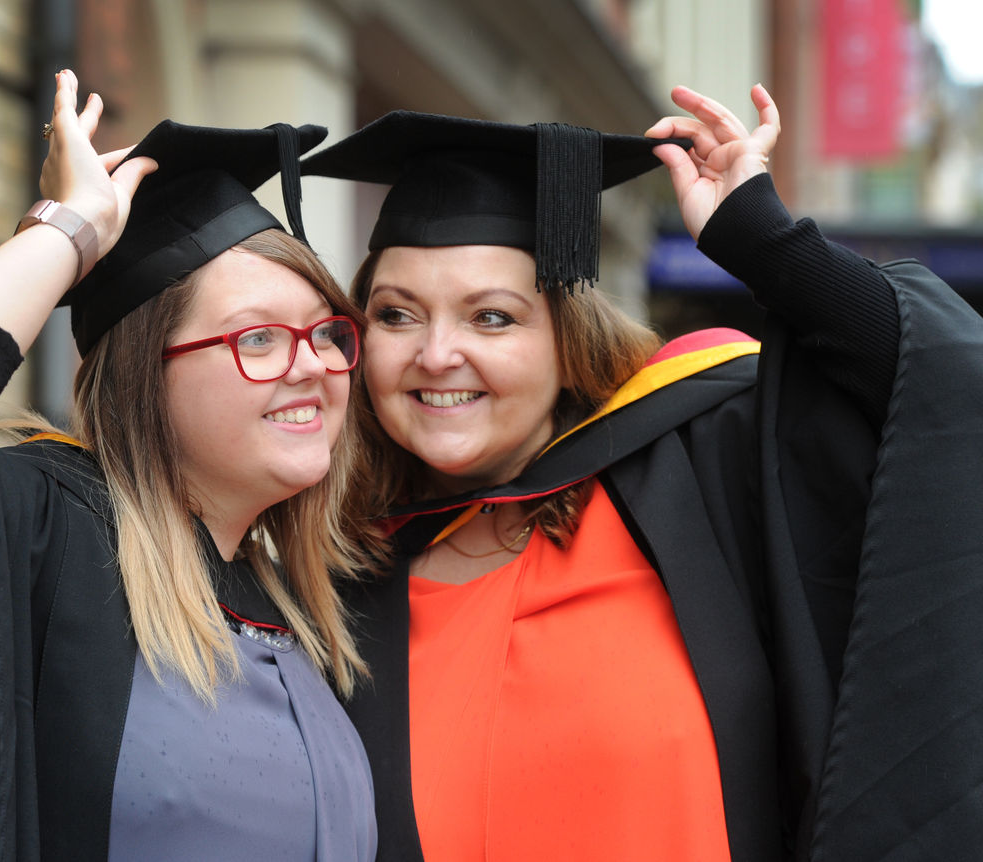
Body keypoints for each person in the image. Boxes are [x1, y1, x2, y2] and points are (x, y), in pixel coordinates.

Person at [302, 85, 983, 860]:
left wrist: (768, 246)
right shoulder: (328, 567)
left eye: (492, 316)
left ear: (569, 336)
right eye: (396, 314)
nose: (435, 354)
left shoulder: (697, 466)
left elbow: (939, 393)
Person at [0, 69, 377, 861]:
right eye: (257, 338)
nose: (312, 366)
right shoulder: (48, 534)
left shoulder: (296, 600)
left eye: (325, 333)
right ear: (145, 375)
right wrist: (69, 230)